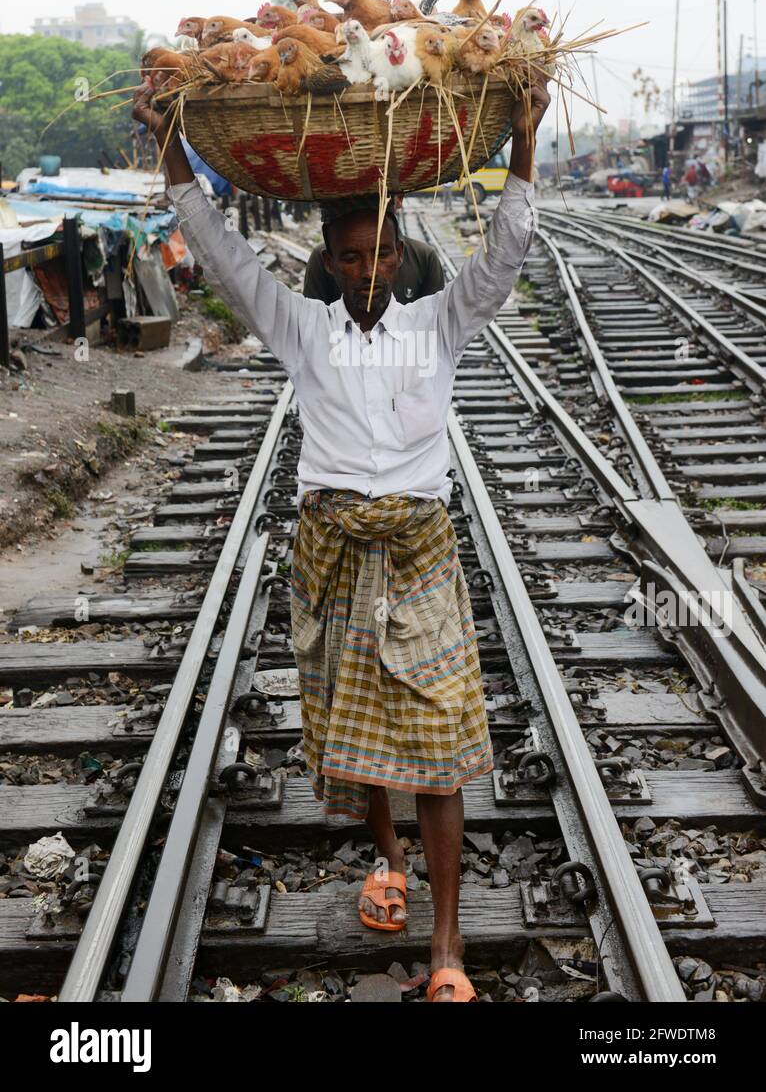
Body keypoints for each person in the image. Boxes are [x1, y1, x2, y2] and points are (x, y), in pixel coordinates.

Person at [133, 72, 549, 1003]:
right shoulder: (300, 328)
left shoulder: (440, 324)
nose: (369, 270)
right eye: (354, 256)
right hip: (330, 551)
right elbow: (213, 240)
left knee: (441, 746)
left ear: (402, 257)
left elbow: (509, 247)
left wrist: (524, 138)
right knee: (355, 736)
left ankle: (448, 947)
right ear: (330, 258)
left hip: (418, 550)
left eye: (384, 254)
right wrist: (168, 143)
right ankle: (387, 860)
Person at [303, 196, 444, 303]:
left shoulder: (424, 257)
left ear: (399, 252)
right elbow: (312, 326)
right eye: (351, 259)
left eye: (381, 255)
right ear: (329, 263)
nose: (369, 273)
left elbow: (434, 325)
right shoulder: (320, 260)